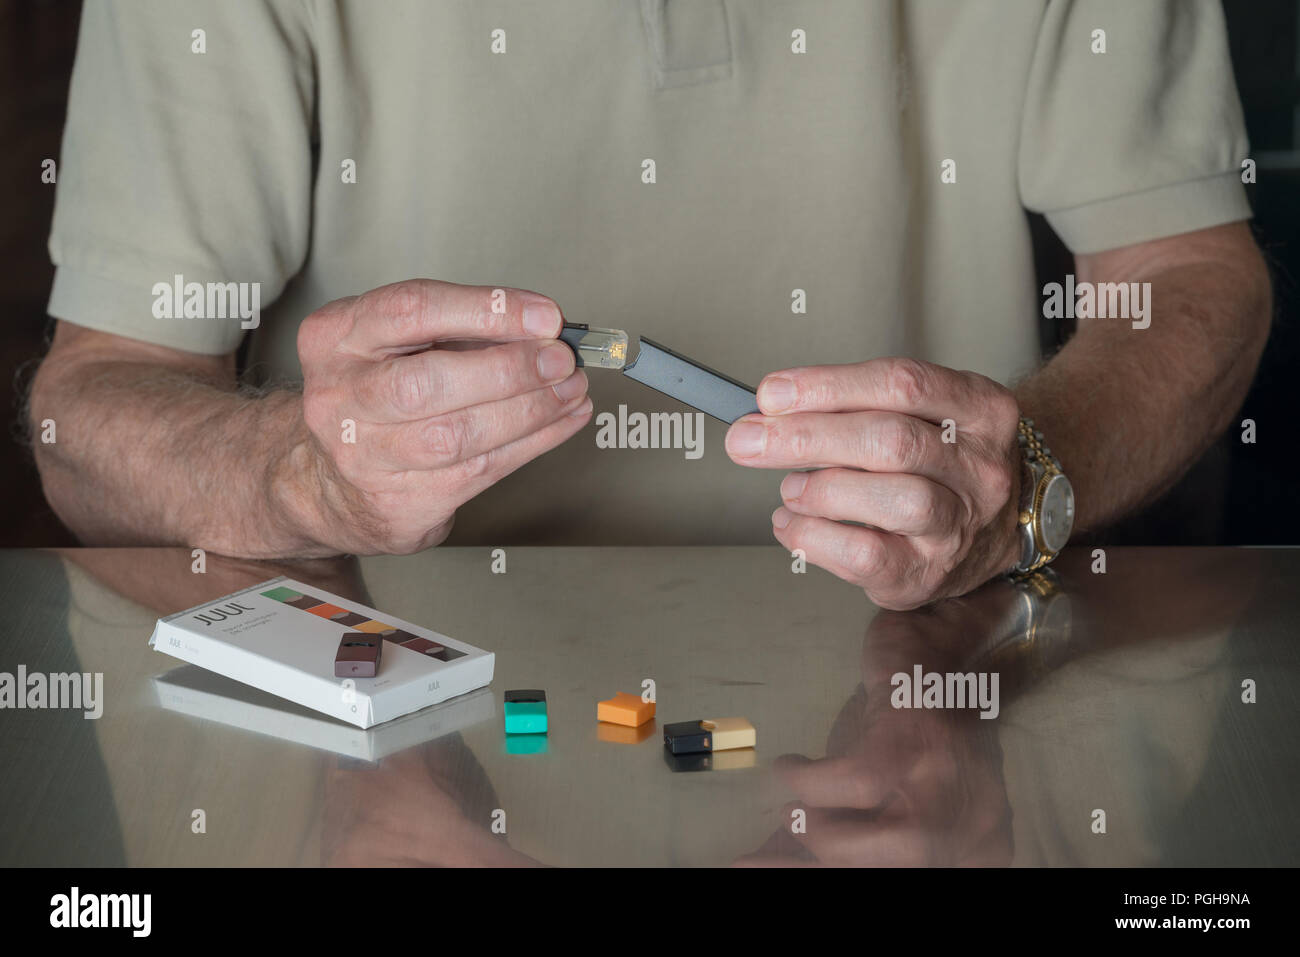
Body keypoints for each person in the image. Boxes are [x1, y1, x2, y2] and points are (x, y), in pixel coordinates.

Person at [29, 1, 1270, 609]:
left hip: (940, 700)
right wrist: (302, 475)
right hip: (392, 735)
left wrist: (1024, 487)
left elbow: (1189, 277)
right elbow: (88, 409)